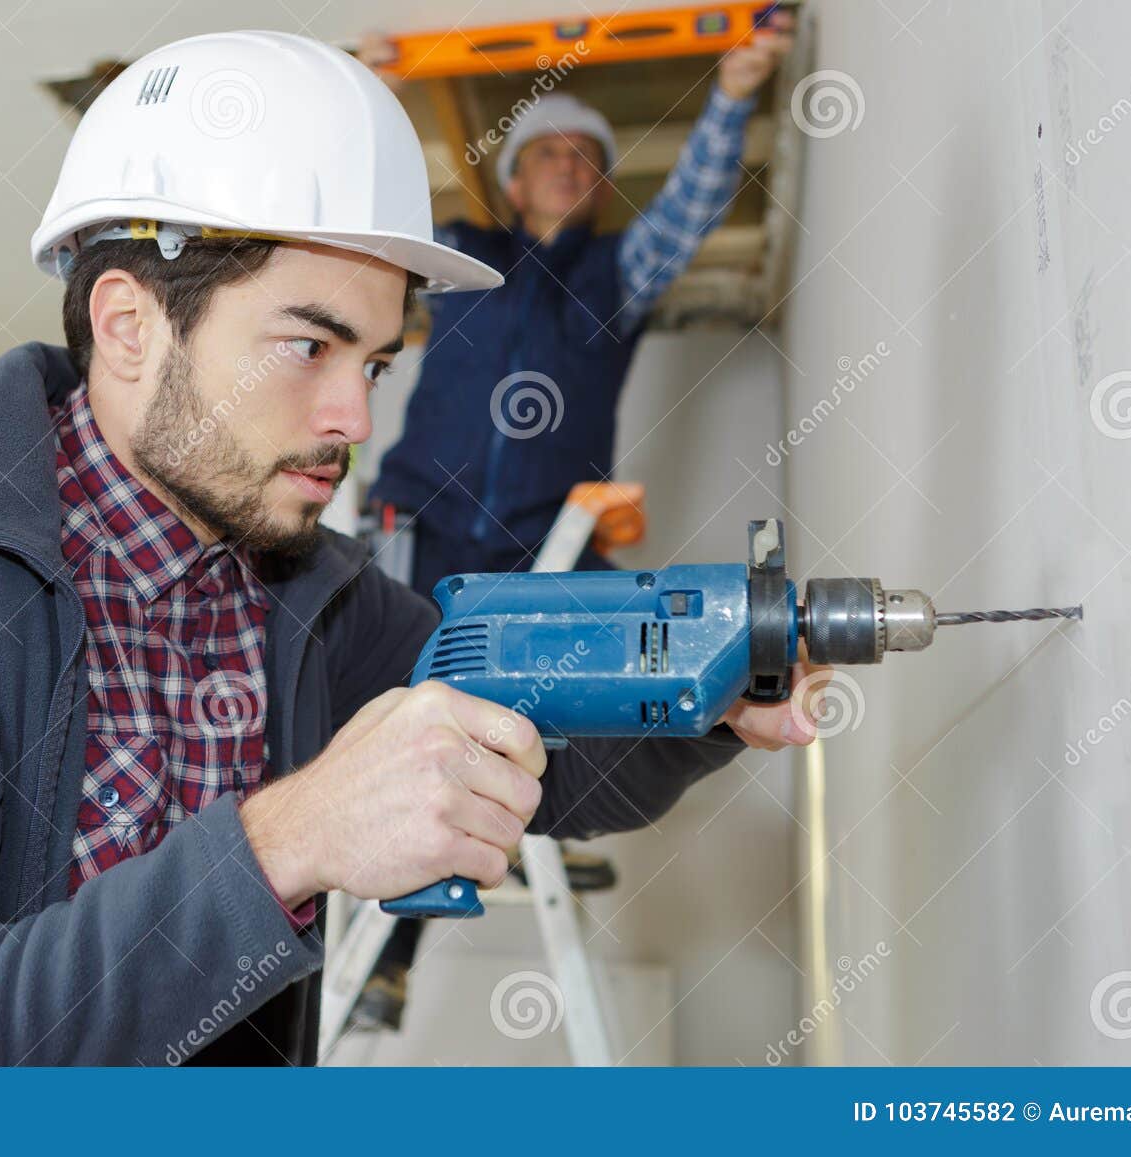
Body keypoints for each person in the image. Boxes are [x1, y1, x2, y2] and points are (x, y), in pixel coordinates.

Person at [0, 30, 826, 1068]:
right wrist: (290, 837)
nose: (356, 416)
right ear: (129, 325)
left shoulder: (307, 586)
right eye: (309, 345)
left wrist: (714, 689)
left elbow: (525, 744)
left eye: (375, 362)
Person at [351, 14, 796, 1031]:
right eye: (546, 152)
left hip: (541, 541)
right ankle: (395, 950)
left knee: (560, 687)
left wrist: (731, 94)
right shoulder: (458, 258)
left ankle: (547, 811)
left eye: (585, 159)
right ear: (510, 181)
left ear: (599, 187)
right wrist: (375, 95)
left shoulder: (616, 277)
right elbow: (367, 217)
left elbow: (682, 212)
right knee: (414, 714)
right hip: (424, 517)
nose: (566, 166)